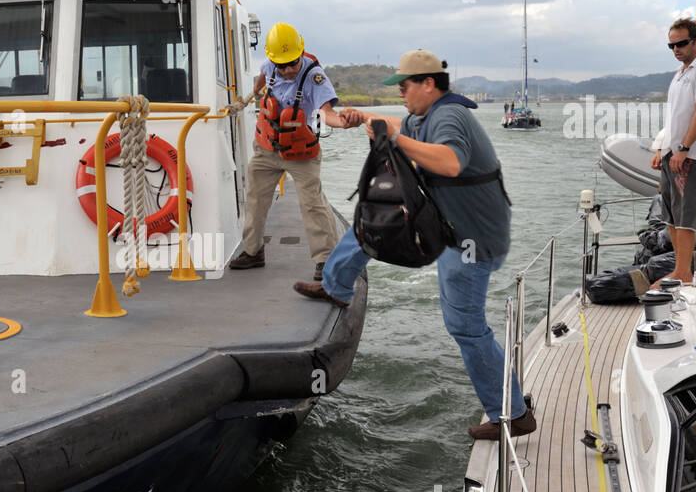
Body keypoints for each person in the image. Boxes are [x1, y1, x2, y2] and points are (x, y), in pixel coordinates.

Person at [294, 49, 535, 440]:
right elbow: (396, 123)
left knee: (466, 327)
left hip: (472, 236)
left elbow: (451, 161)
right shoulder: (426, 116)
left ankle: (512, 413)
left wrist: (397, 140)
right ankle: (336, 287)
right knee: (372, 221)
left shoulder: (451, 116)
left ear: (428, 84)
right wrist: (363, 117)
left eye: (405, 86)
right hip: (451, 225)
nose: (401, 93)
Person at [228, 23, 358, 280]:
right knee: (254, 197)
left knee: (313, 204)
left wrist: (343, 121)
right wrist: (253, 93)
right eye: (282, 65)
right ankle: (253, 252)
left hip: (301, 153)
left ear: (301, 54)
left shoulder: (314, 76)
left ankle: (325, 260)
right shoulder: (270, 66)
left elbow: (326, 112)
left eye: (293, 63)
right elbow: (264, 75)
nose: (288, 70)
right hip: (267, 150)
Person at [651, 17, 696, 283]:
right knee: (671, 213)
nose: (676, 49)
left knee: (686, 215)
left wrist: (684, 148)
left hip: (690, 155)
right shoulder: (679, 74)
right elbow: (675, 117)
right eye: (672, 45)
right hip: (673, 154)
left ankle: (683, 272)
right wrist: (662, 148)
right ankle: (681, 270)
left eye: (681, 43)